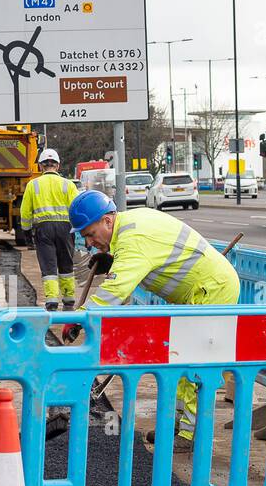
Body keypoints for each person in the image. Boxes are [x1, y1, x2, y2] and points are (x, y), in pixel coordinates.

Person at [67, 189, 240, 448]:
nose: (89, 243)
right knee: (181, 362)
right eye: (85, 238)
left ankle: (189, 435)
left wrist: (80, 318)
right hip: (198, 294)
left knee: (196, 366)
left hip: (211, 291)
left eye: (90, 235)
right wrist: (113, 259)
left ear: (108, 220)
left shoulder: (134, 237)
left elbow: (115, 291)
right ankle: (178, 425)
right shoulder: (129, 229)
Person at [19, 148, 79, 310]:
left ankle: (52, 300)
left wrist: (26, 233)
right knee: (66, 264)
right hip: (66, 229)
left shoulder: (33, 185)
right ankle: (68, 298)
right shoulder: (68, 185)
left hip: (43, 229)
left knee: (48, 265)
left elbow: (25, 212)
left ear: (41, 166)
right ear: (58, 166)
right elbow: (76, 209)